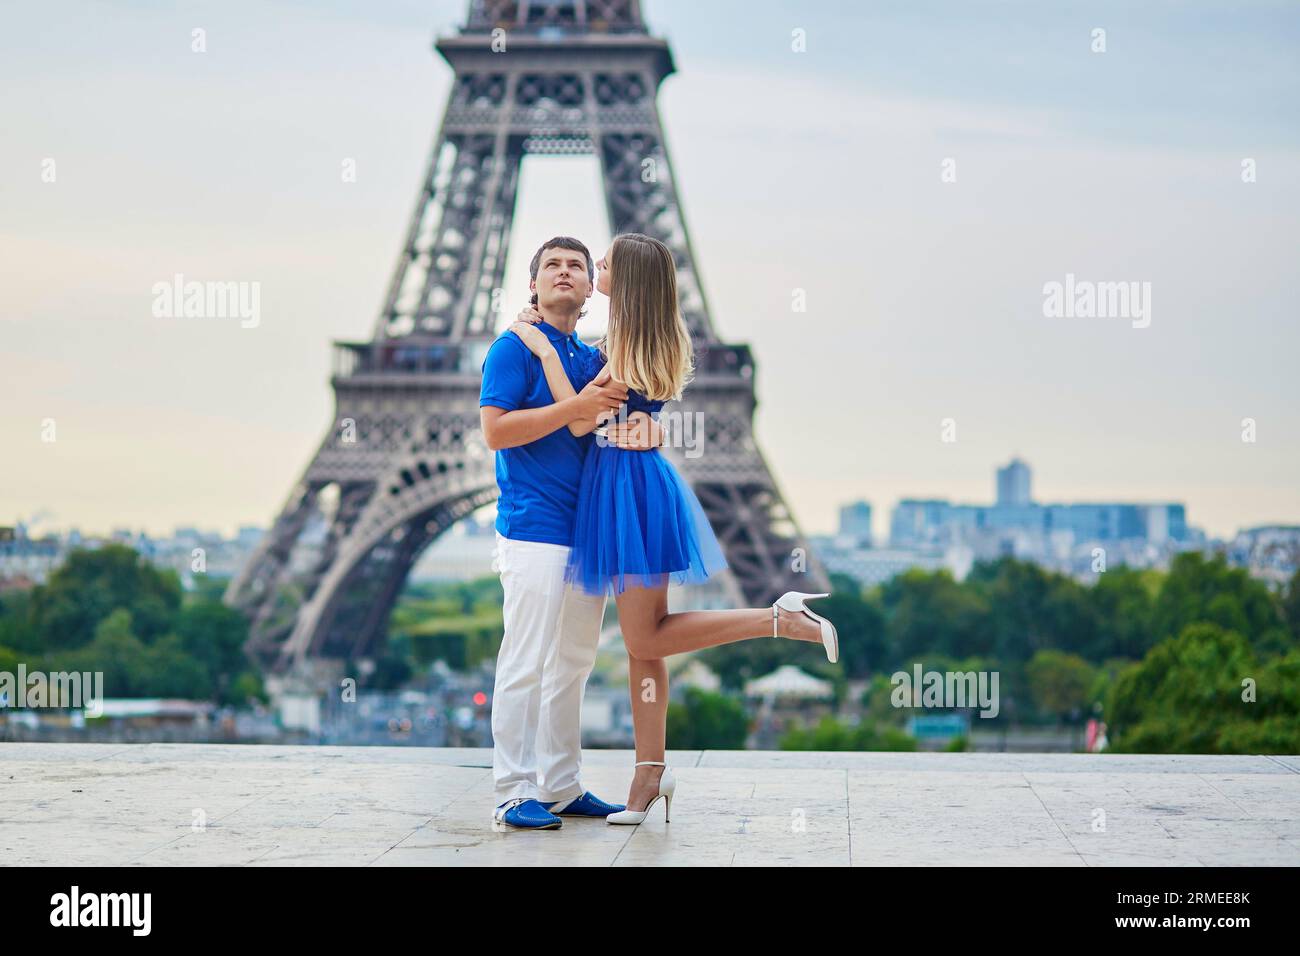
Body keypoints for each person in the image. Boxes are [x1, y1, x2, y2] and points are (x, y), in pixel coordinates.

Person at [510, 232, 840, 825]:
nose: (596, 268)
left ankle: (778, 618)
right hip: (632, 485)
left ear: (628, 278)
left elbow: (582, 421)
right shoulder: (645, 337)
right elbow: (624, 410)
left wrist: (540, 347)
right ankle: (648, 776)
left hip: (625, 489)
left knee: (646, 639)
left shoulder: (626, 345)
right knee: (646, 649)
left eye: (603, 263)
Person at [478, 236, 664, 831]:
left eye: (577, 267)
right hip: (533, 529)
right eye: (552, 266)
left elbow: (598, 418)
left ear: (590, 291)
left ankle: (559, 784)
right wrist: (561, 390)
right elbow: (497, 432)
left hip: (587, 531)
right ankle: (512, 790)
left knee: (575, 662)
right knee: (525, 660)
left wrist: (645, 428)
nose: (565, 273)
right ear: (533, 285)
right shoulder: (510, 349)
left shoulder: (590, 358)